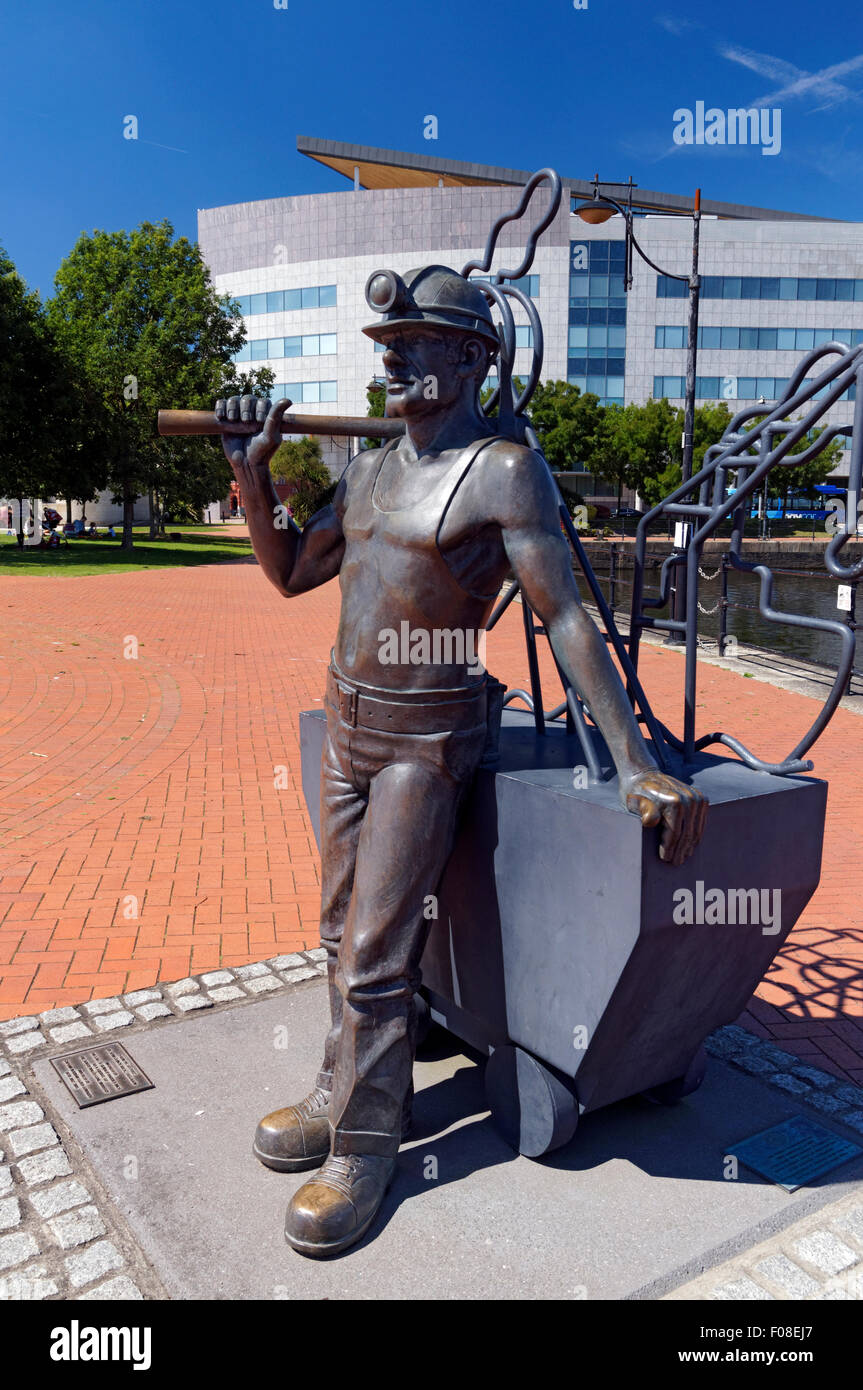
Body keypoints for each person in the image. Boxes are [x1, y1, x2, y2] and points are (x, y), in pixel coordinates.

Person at [216, 265, 707, 1259]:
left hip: (425, 733)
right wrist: (250, 472)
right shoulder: (367, 470)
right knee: (332, 931)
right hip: (346, 721)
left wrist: (631, 761)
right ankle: (337, 1084)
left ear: (472, 356)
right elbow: (285, 576)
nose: (391, 361)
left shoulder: (499, 471)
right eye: (386, 349)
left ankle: (364, 1145)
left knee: (375, 951)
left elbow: (561, 614)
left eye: (412, 345)